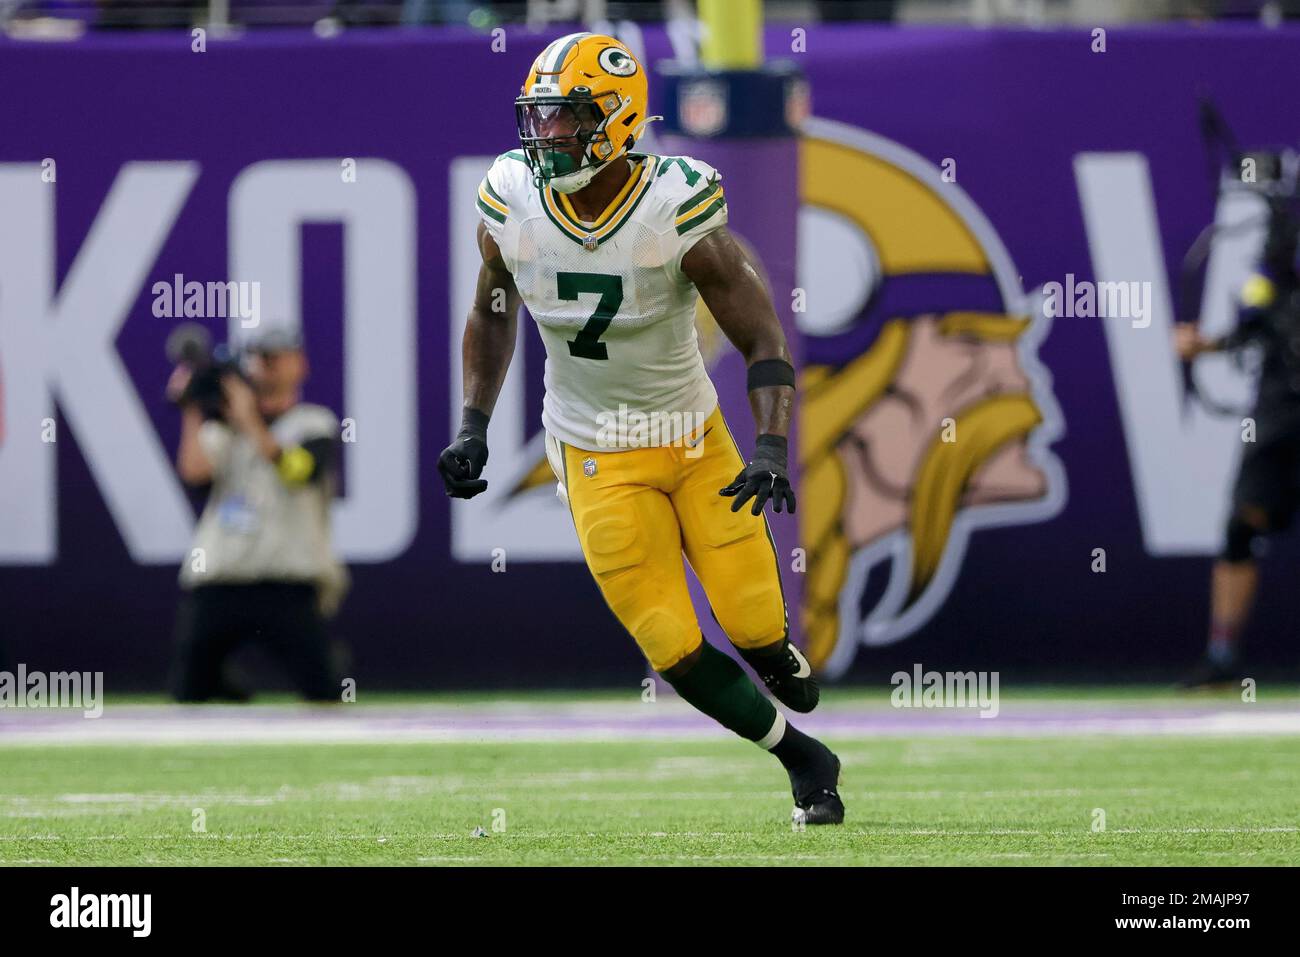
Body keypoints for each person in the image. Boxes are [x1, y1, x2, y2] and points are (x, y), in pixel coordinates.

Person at [438, 33, 843, 825]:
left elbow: (762, 336)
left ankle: (770, 653)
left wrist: (767, 445)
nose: (548, 135)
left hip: (694, 442)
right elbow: (492, 310)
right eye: (541, 119)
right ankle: (802, 758)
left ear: (618, 119)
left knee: (755, 625)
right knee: (669, 644)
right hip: (593, 451)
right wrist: (472, 423)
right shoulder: (510, 195)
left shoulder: (673, 203)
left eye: (568, 118)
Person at [169, 329, 347, 702]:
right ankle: (231, 693)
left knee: (324, 691)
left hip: (288, 581)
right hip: (222, 578)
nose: (265, 367)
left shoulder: (313, 423)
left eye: (275, 357)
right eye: (259, 358)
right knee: (189, 692)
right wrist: (192, 408)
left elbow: (297, 472)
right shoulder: (223, 428)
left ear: (300, 364)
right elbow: (195, 473)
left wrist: (249, 419)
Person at [1175, 220, 1300, 688]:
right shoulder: (1270, 293)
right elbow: (1244, 332)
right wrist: (1201, 344)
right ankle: (1222, 655)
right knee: (1240, 527)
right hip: (1275, 424)